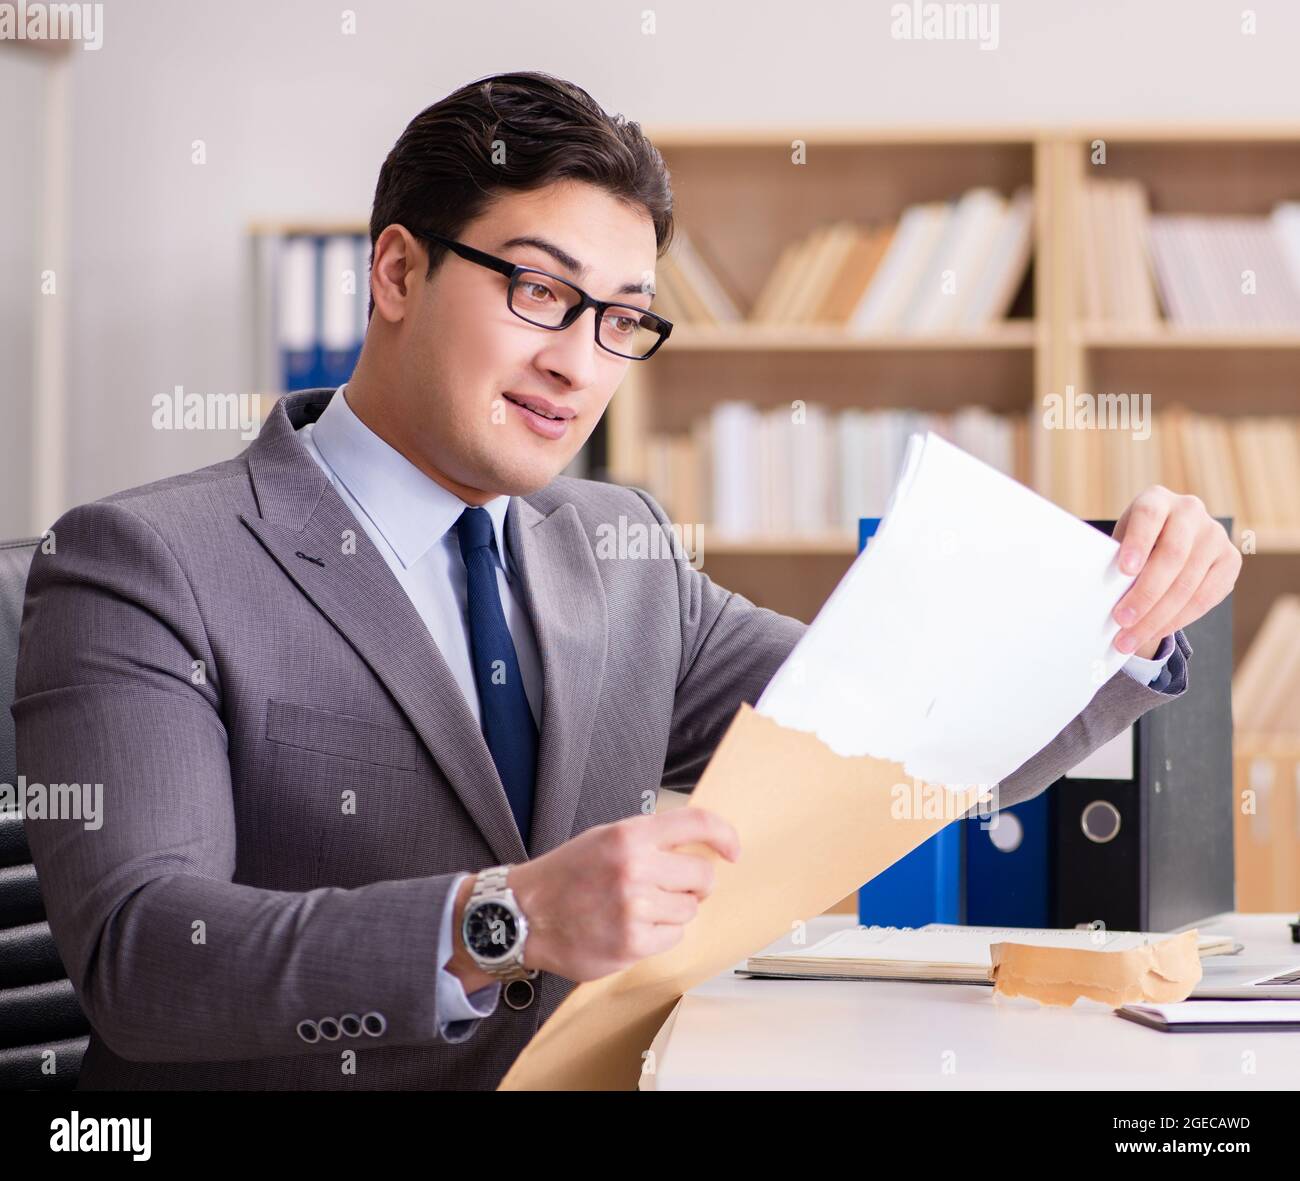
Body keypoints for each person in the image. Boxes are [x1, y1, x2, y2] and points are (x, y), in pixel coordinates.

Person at [13, 71, 1239, 1091]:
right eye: (540, 292)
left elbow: (905, 739)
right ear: (395, 273)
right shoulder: (145, 559)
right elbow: (142, 954)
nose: (577, 363)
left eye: (621, 319)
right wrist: (503, 918)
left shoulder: (618, 548)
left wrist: (1122, 611)